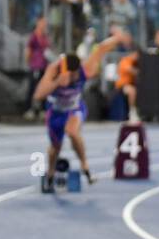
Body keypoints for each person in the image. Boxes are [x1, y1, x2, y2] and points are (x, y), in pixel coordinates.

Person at [32, 28, 125, 184]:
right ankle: (50, 172)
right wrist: (56, 83)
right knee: (55, 147)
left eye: (75, 75)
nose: (74, 78)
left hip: (74, 109)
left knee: (72, 131)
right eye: (71, 75)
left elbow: (101, 49)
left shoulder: (85, 69)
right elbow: (38, 94)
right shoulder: (54, 70)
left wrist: (118, 37)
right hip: (55, 112)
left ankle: (85, 167)